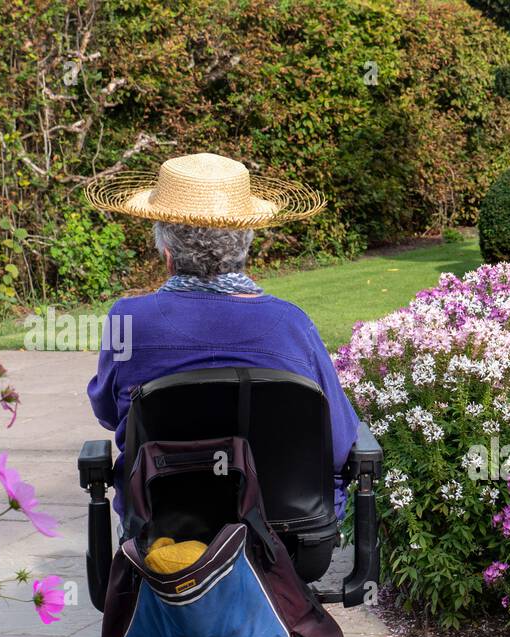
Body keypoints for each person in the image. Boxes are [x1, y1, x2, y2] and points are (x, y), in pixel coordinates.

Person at [84, 153, 357, 524]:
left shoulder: (127, 320)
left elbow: (106, 412)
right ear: (245, 245)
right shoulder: (292, 324)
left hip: (160, 527)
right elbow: (340, 443)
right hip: (285, 530)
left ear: (167, 253)